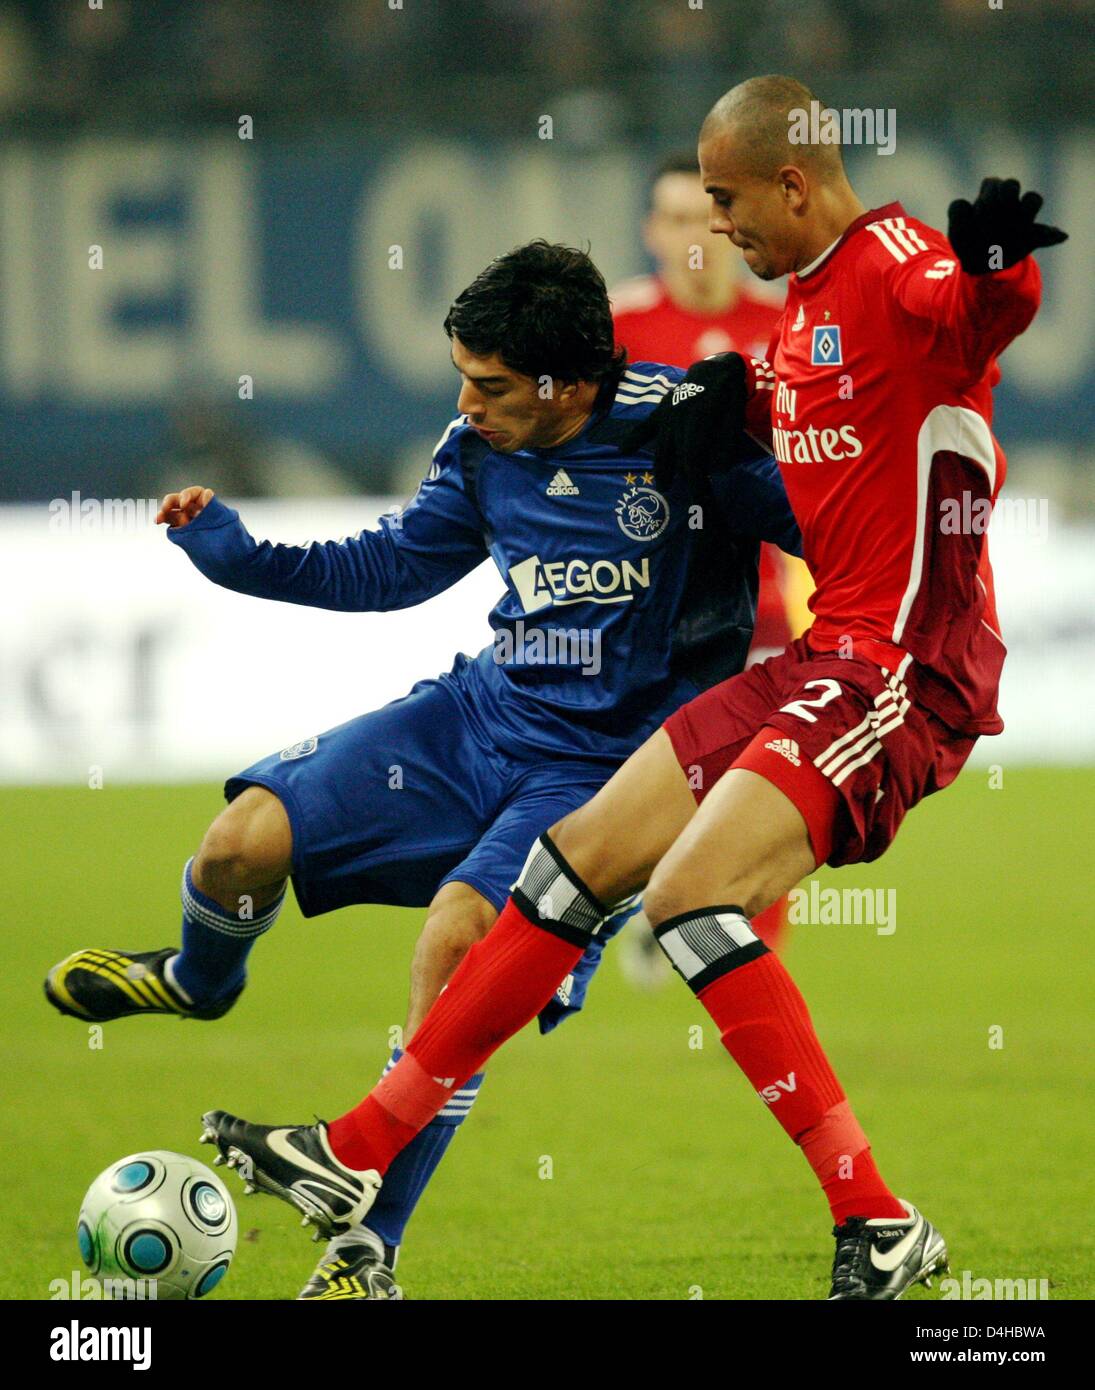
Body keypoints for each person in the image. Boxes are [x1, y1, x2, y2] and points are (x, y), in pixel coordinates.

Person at [197, 75, 1065, 1301]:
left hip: (903, 669)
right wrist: (743, 409)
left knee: (689, 900)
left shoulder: (890, 262)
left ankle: (876, 1216)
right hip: (817, 665)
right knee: (572, 865)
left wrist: (996, 271)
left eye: (723, 199)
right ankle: (356, 1147)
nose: (715, 226)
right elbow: (835, 443)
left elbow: (967, 316)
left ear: (793, 182)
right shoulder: (804, 309)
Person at [44, 239, 799, 1301]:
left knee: (458, 945)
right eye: (462, 375)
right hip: (479, 715)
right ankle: (195, 979)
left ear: (569, 383)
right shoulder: (483, 446)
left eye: (487, 384)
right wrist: (239, 555)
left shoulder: (689, 434)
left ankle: (368, 1249)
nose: (465, 400)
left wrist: (778, 450)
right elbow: (391, 567)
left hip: (610, 776)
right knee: (238, 843)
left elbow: (839, 532)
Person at [612, 151, 796, 979]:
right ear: (653, 232)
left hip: (757, 614)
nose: (694, 237)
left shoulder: (786, 325)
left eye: (706, 219)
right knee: (626, 797)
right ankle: (642, 909)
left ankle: (748, 964)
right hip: (639, 615)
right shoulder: (615, 336)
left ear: (729, 228)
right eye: (675, 219)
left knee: (770, 786)